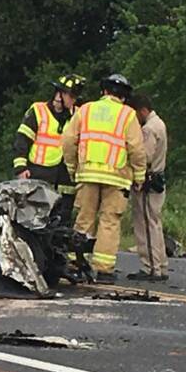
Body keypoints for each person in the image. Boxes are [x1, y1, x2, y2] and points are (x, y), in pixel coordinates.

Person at [62, 74, 147, 283]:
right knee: (110, 222)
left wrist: (73, 168)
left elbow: (68, 140)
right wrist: (139, 176)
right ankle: (103, 270)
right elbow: (136, 149)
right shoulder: (128, 115)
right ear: (124, 96)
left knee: (84, 219)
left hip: (87, 175)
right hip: (117, 178)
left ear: (104, 91)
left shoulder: (86, 110)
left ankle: (76, 264)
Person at [12, 74, 85, 215]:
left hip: (65, 176)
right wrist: (21, 168)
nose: (74, 101)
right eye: (72, 97)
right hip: (38, 173)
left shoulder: (78, 114)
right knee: (34, 217)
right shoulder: (38, 111)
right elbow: (22, 140)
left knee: (62, 218)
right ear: (60, 95)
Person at [126, 92, 169, 282]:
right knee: (155, 223)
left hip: (148, 181)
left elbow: (145, 157)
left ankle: (151, 267)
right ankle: (161, 265)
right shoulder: (160, 123)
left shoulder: (149, 129)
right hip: (159, 179)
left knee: (146, 223)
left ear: (142, 110)